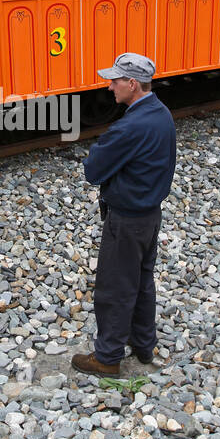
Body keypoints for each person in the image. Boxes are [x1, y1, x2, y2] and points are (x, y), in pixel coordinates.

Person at [71, 52, 177, 377]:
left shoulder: (130, 126)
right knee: (142, 282)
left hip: (127, 220)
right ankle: (144, 346)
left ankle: (107, 358)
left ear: (132, 84)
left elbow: (93, 169)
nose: (109, 87)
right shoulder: (161, 114)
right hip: (150, 216)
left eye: (115, 81)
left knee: (115, 287)